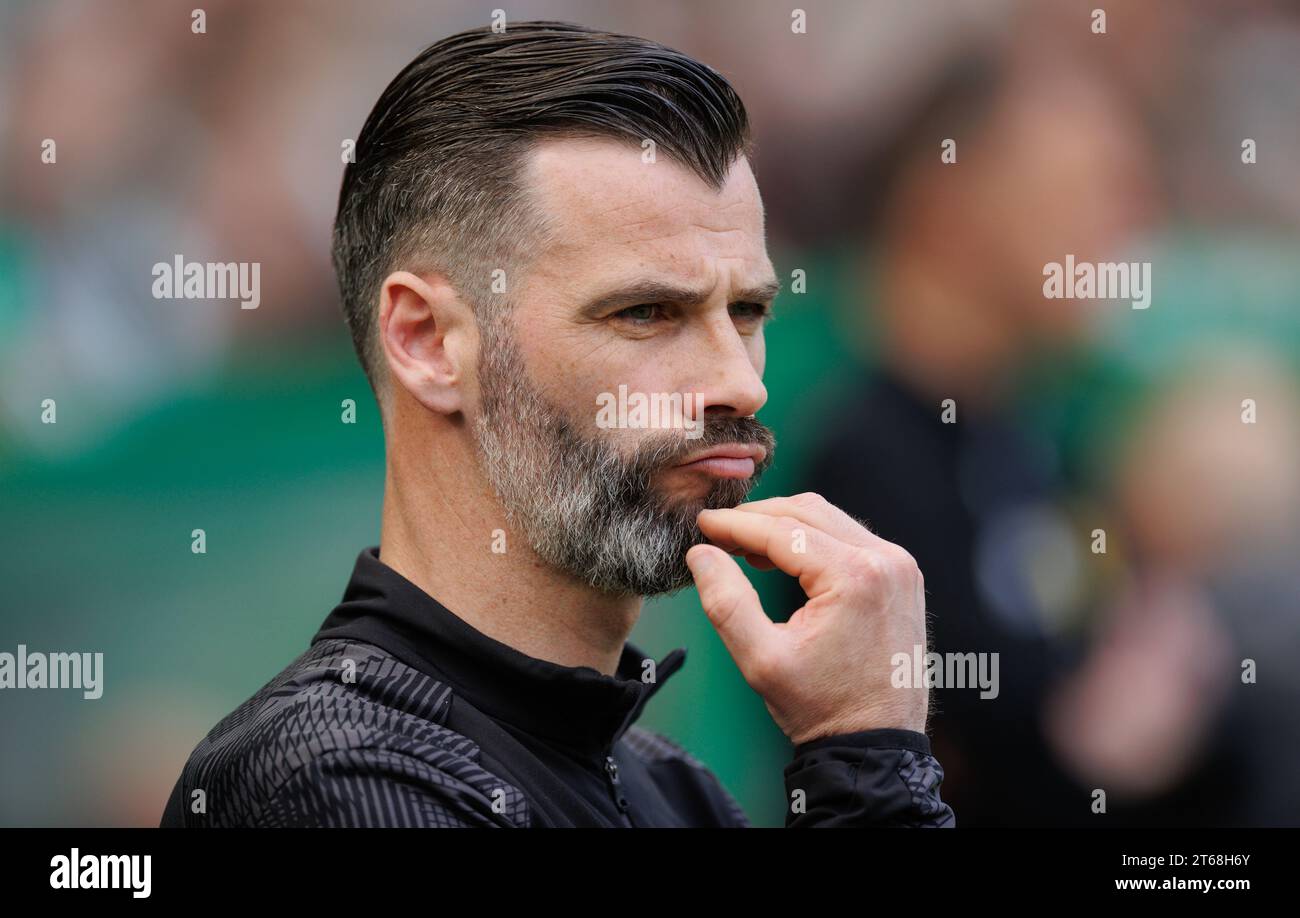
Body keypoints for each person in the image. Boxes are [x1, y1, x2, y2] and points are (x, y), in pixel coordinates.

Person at [159, 20, 953, 828]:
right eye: (646, 312)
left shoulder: (671, 789)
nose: (739, 383)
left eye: (747, 311)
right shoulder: (324, 781)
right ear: (427, 341)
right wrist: (863, 762)